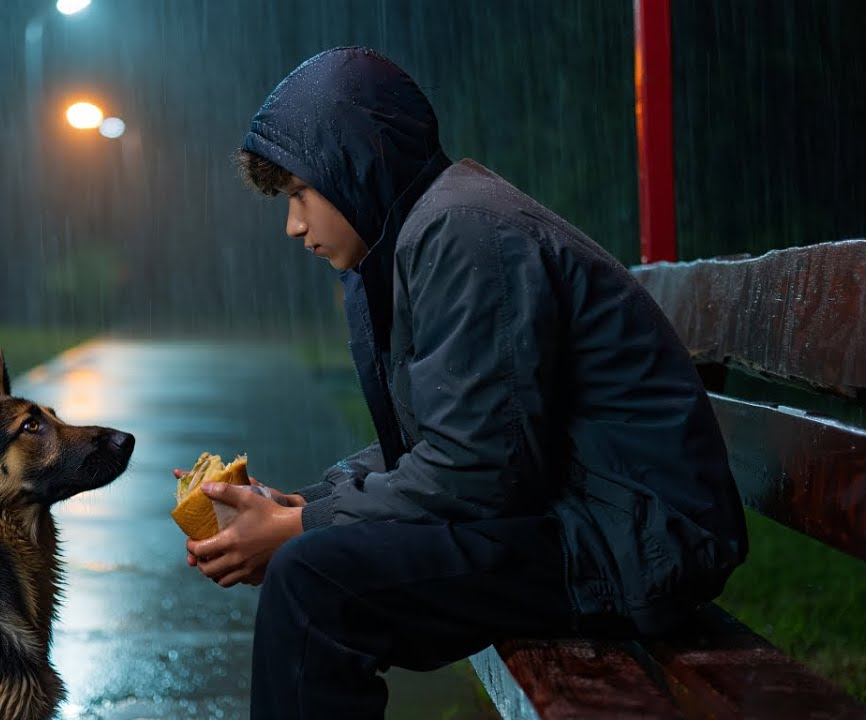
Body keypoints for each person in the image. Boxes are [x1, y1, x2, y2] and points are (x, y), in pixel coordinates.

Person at [180, 46, 748, 719]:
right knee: (317, 565)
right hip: (589, 516)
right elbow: (454, 441)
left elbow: (478, 468)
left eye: (301, 192)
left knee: (315, 581)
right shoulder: (435, 228)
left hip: (632, 544)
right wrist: (305, 504)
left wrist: (304, 528)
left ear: (357, 161)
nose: (294, 225)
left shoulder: (462, 232)